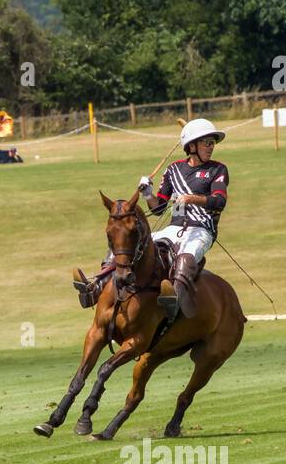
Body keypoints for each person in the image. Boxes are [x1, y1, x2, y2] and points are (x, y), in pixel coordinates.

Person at [78, 118, 229, 321]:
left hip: (201, 230)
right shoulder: (173, 170)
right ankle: (95, 286)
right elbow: (158, 209)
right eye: (206, 142)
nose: (211, 147)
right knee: (134, 242)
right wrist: (148, 193)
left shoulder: (217, 170)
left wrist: (192, 198)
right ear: (191, 146)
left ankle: (174, 298)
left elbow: (219, 201)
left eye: (212, 143)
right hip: (173, 228)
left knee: (187, 254)